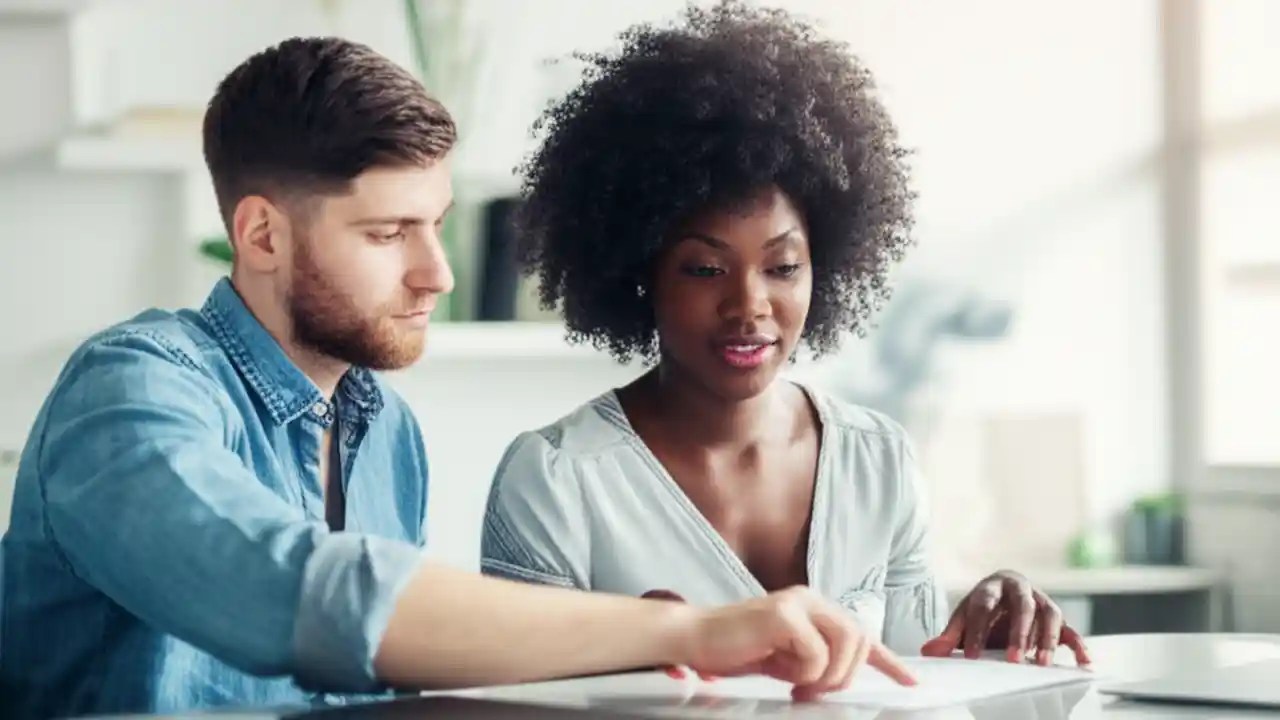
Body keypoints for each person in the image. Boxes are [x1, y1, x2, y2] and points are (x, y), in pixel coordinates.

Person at [0, 36, 915, 720]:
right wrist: (690, 632)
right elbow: (300, 597)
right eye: (389, 233)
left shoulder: (382, 430)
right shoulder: (130, 394)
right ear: (263, 235)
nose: (436, 273)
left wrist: (620, 670)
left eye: (436, 225)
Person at [481, 1, 1091, 670]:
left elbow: (918, 672)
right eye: (706, 268)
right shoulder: (557, 479)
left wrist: (988, 622)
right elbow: (510, 697)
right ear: (639, 271)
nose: (749, 304)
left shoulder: (877, 458)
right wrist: (634, 656)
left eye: (782, 267)